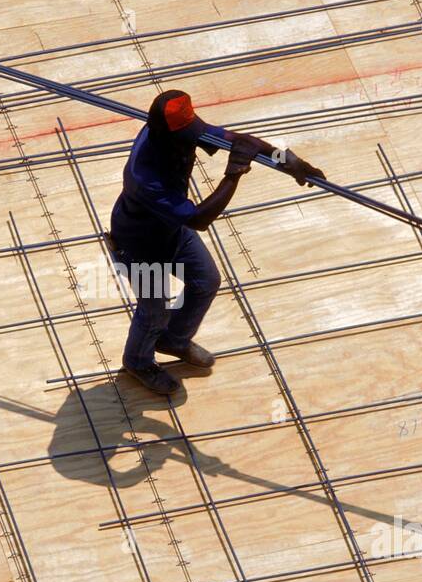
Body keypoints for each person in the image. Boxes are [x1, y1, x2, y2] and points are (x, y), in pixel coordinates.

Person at [108, 89, 326, 395]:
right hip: (140, 245)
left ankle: (174, 340)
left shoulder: (179, 130)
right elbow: (199, 219)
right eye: (187, 135)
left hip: (169, 230)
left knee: (205, 281)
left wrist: (290, 163)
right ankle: (138, 361)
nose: (193, 138)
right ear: (166, 135)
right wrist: (234, 174)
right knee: (154, 309)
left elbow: (241, 143)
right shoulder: (145, 176)